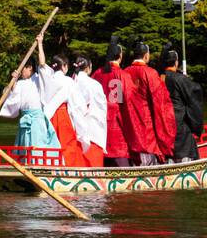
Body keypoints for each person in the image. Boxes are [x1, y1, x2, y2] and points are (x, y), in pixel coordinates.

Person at [34, 35, 90, 166]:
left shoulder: (48, 78)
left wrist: (40, 44)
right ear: (64, 66)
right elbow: (78, 104)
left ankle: (50, 166)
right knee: (66, 144)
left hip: (47, 117)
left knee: (50, 144)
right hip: (62, 116)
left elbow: (42, 64)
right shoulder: (68, 81)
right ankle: (67, 168)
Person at [120, 41, 177, 165]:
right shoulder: (150, 73)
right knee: (148, 158)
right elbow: (160, 103)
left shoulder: (124, 73)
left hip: (128, 124)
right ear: (146, 56)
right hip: (146, 127)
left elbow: (119, 100)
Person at [0, 57, 60, 153]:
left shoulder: (39, 79)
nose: (21, 72)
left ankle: (39, 166)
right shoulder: (20, 83)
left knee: (37, 147)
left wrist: (40, 43)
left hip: (37, 121)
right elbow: (14, 100)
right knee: (24, 147)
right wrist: (13, 82)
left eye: (22, 68)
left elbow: (43, 64)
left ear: (30, 68)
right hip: (25, 120)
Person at [92, 36, 133, 167]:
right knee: (121, 161)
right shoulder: (123, 75)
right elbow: (130, 103)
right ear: (120, 56)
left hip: (100, 123)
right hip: (117, 124)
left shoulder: (97, 74)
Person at [160, 45, 204, 162]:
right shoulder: (180, 79)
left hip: (161, 121)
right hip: (178, 122)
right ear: (176, 62)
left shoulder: (158, 77)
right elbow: (194, 99)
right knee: (186, 146)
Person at [70, 55, 108, 167]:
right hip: (92, 128)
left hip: (74, 128)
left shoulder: (71, 82)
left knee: (77, 162)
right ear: (88, 67)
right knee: (92, 163)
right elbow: (101, 108)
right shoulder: (95, 85)